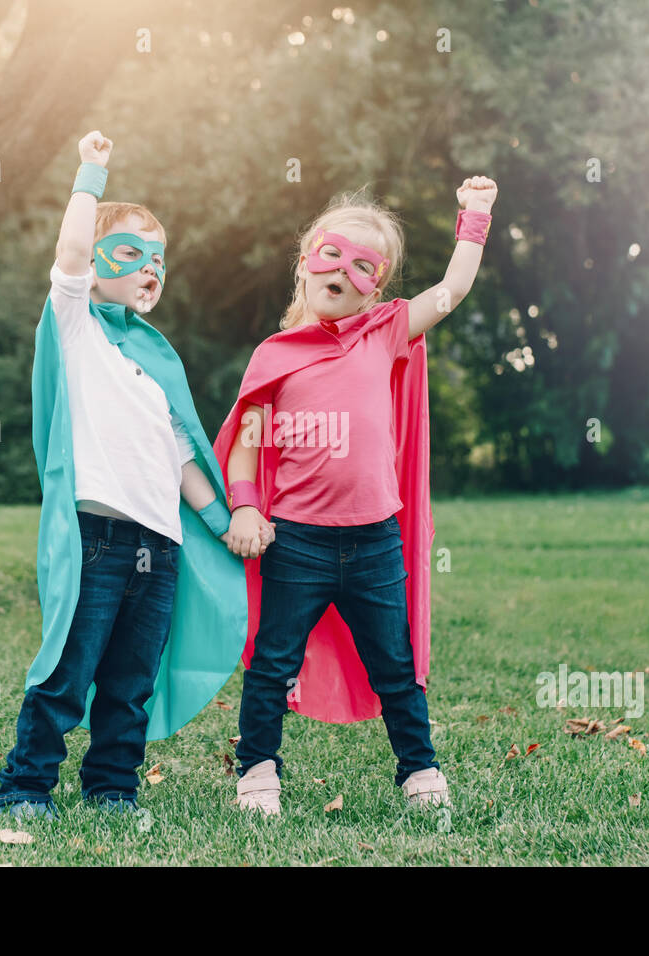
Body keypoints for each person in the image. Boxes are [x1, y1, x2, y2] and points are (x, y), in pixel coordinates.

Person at [0, 131, 265, 820]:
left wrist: (223, 519)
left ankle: (112, 786)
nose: (149, 268)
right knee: (67, 668)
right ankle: (26, 786)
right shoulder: (75, 328)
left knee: (131, 679)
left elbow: (182, 461)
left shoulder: (153, 362)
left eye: (158, 259)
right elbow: (69, 257)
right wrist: (92, 173)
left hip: (160, 547)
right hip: (96, 538)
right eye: (131, 253)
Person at [213, 177, 499, 816]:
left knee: (395, 664)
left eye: (364, 265)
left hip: (373, 540)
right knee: (271, 664)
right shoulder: (275, 356)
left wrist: (474, 218)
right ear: (307, 262)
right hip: (298, 542)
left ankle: (418, 769)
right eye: (333, 255)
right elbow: (248, 443)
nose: (343, 270)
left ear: (378, 282)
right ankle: (258, 771)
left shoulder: (384, 333)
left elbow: (450, 293)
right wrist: (245, 505)